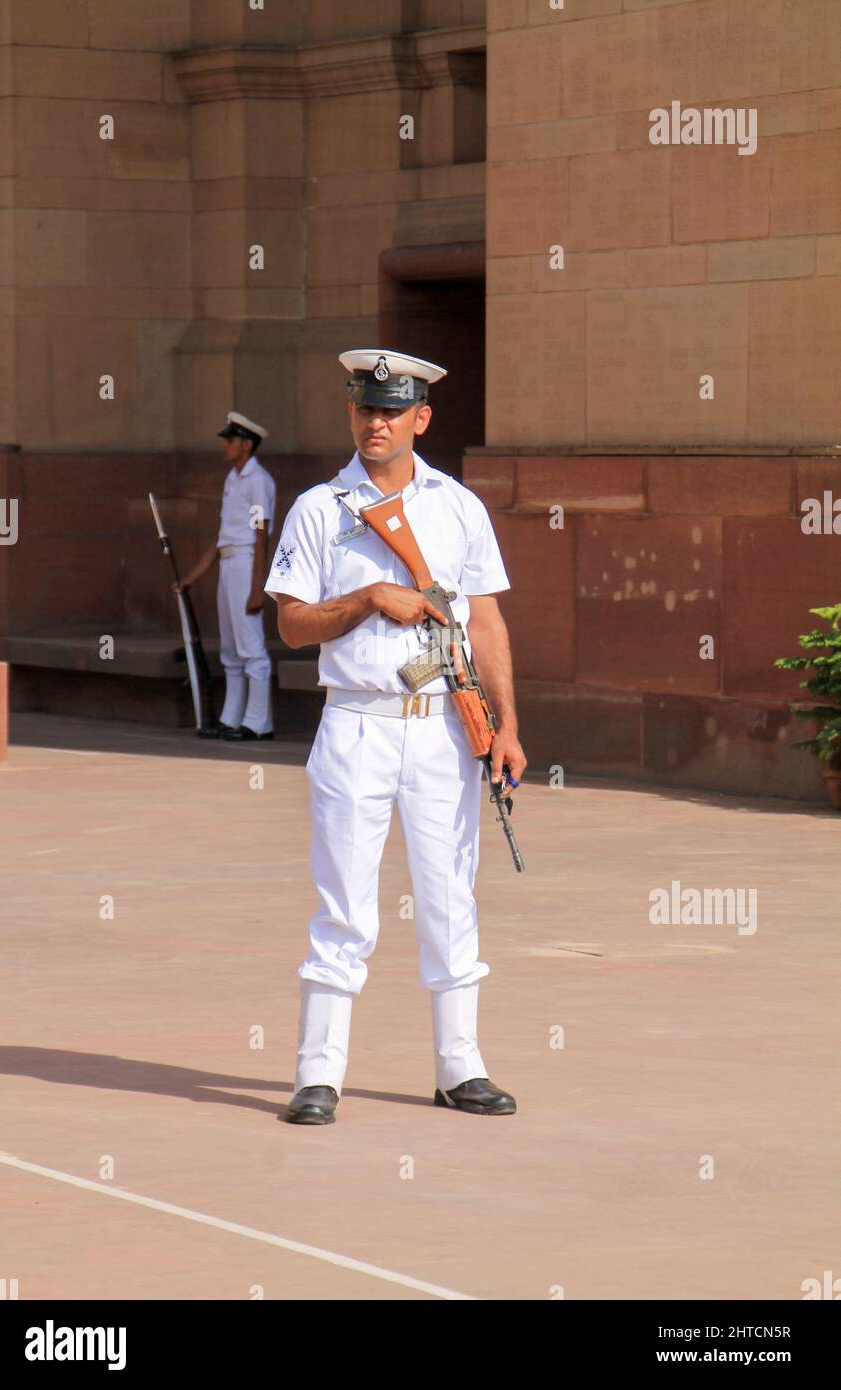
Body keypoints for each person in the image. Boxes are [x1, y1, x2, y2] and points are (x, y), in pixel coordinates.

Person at [265, 349, 528, 1125]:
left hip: (444, 727)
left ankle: (460, 1066)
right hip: (357, 721)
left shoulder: (458, 507)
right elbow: (289, 622)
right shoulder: (321, 508)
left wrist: (507, 724)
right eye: (363, 408)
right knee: (344, 902)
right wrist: (370, 597)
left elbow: (485, 621)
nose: (374, 423)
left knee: (451, 896)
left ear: (422, 417)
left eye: (390, 410)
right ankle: (319, 1074)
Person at [178, 411, 276, 741]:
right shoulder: (233, 479)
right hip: (229, 563)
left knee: (251, 647)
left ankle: (258, 722)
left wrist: (257, 587)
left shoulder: (257, 480)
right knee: (231, 650)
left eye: (231, 440)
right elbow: (223, 538)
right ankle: (232, 718)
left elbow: (261, 533)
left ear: (246, 445)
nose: (226, 446)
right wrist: (193, 576)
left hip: (248, 561)